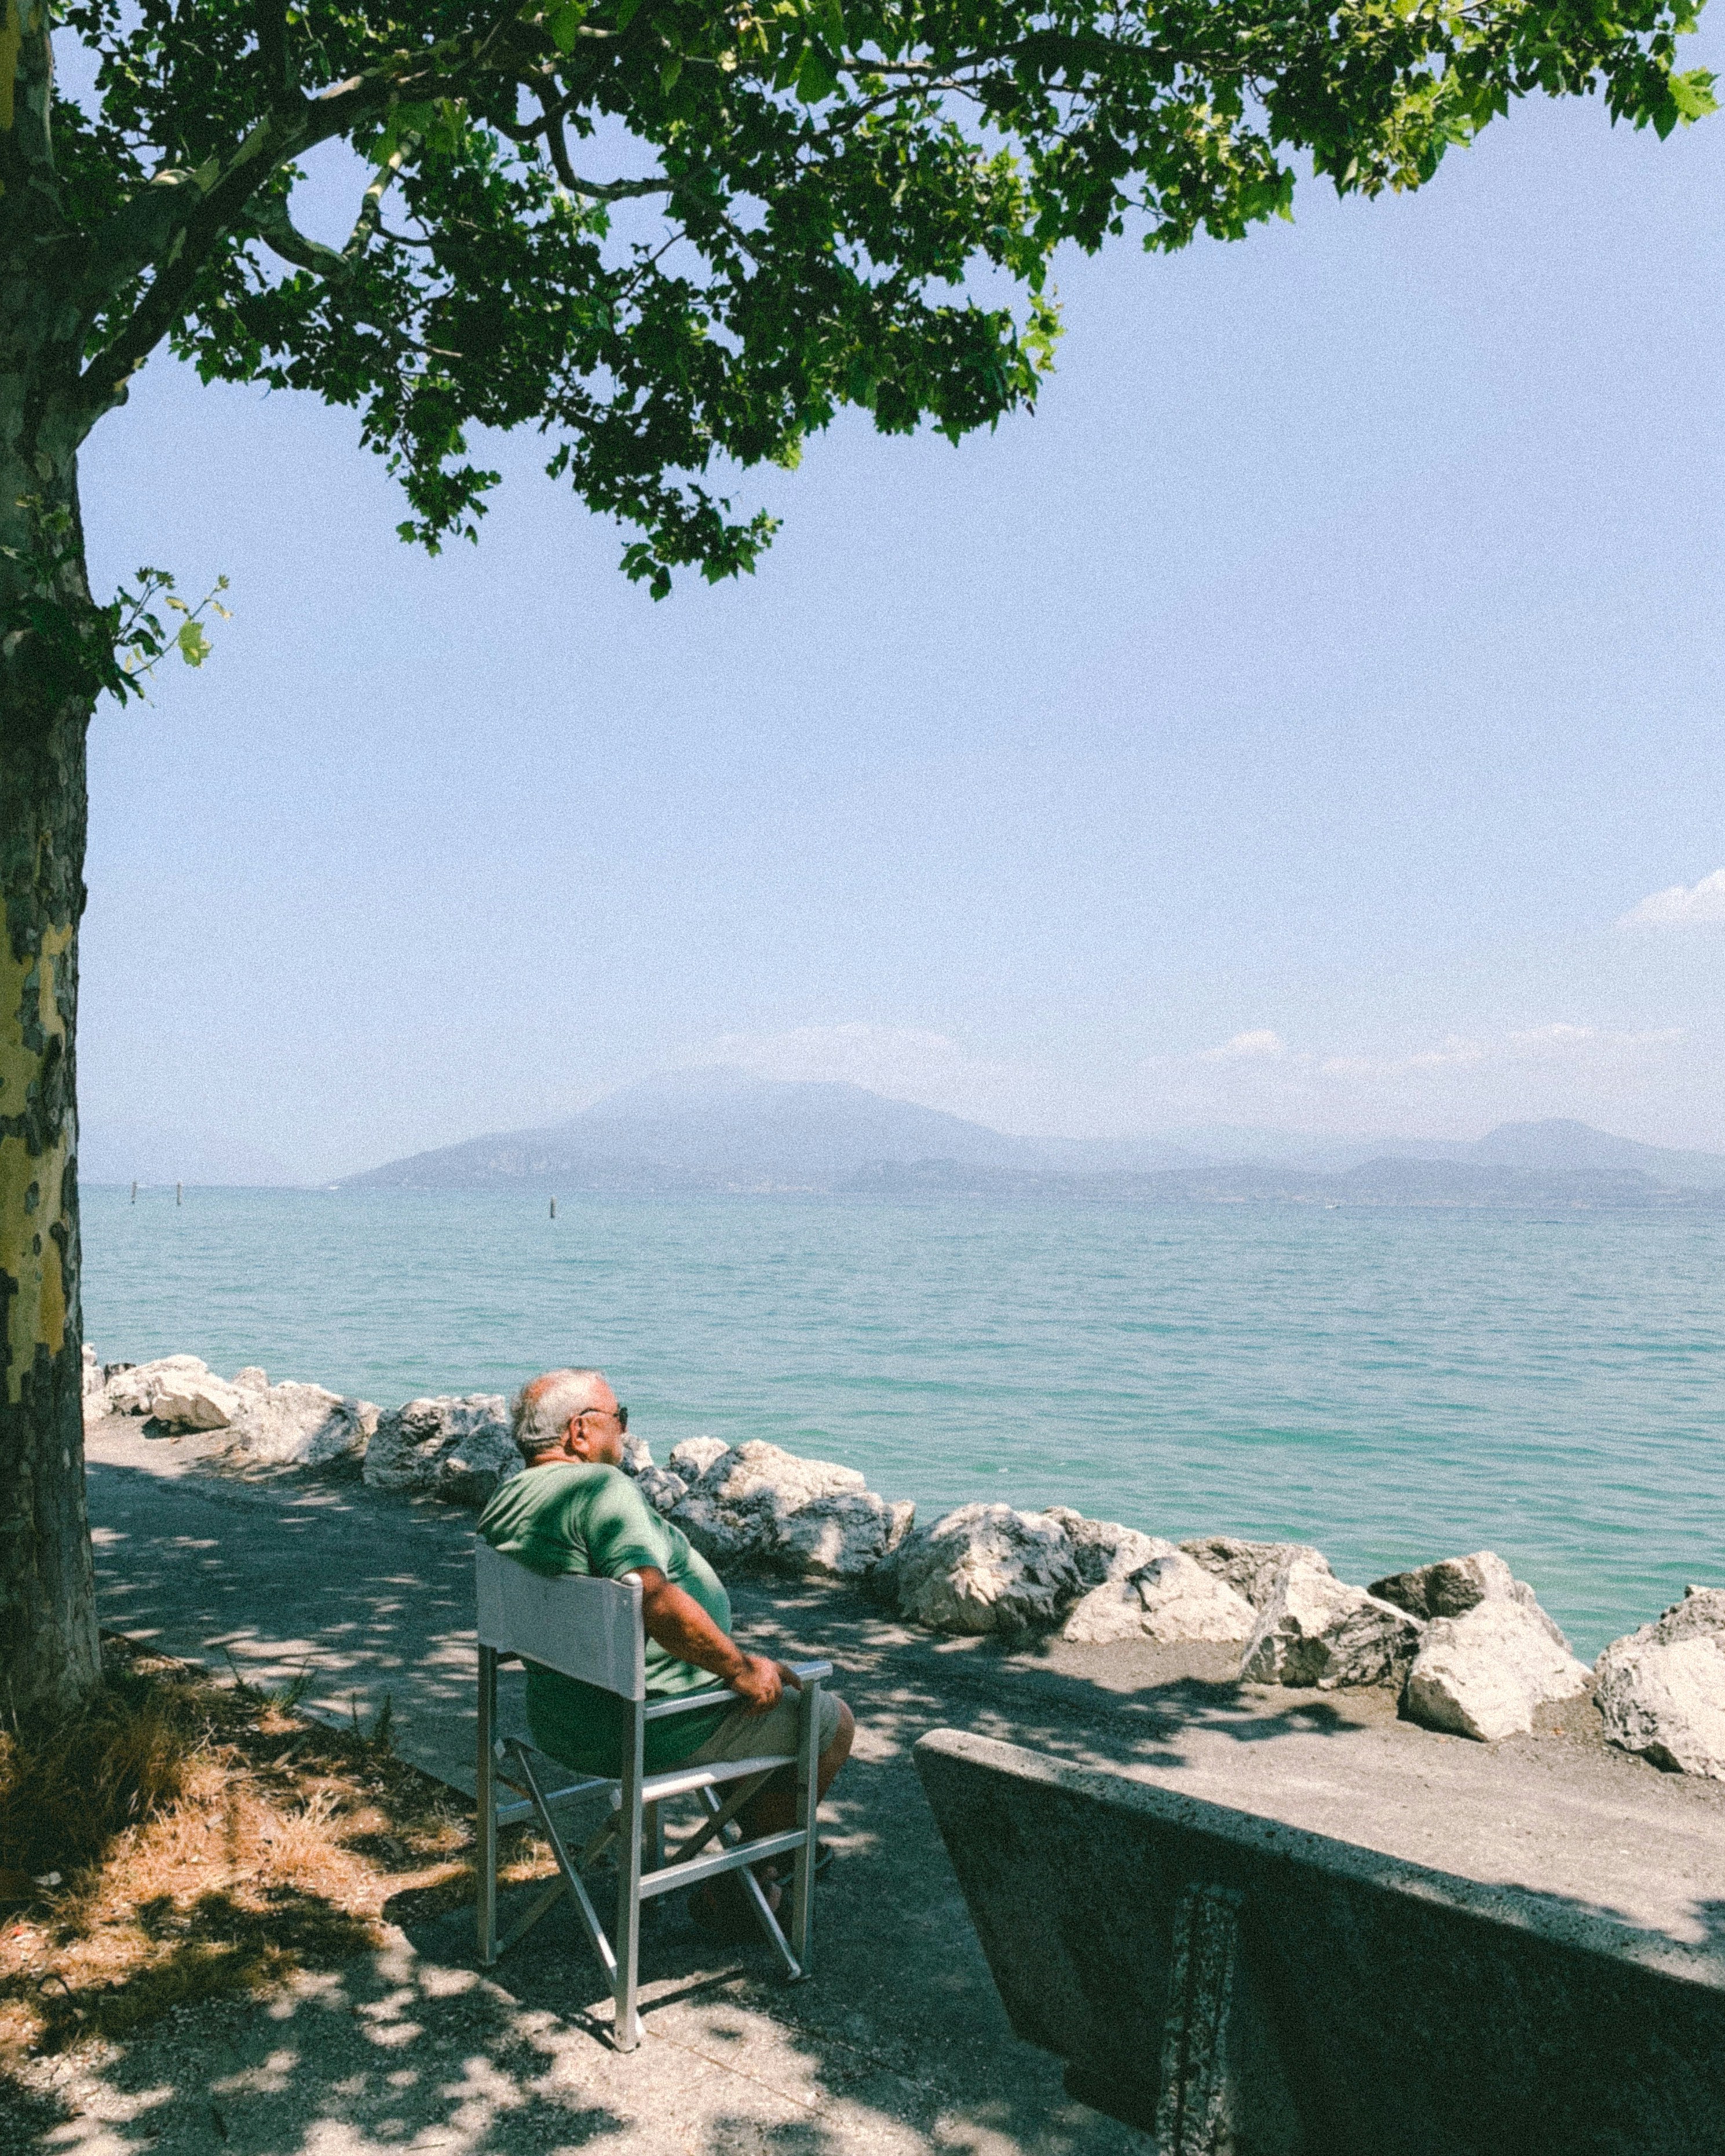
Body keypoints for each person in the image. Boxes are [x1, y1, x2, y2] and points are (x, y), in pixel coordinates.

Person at [476, 1366, 854, 1938]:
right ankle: (744, 1882)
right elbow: (653, 1598)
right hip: (640, 1726)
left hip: (560, 1716)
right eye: (618, 1417)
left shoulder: (507, 1498)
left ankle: (754, 1843)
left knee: (755, 1710)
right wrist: (738, 1666)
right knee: (828, 1719)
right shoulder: (597, 1489)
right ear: (581, 1431)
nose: (626, 1430)